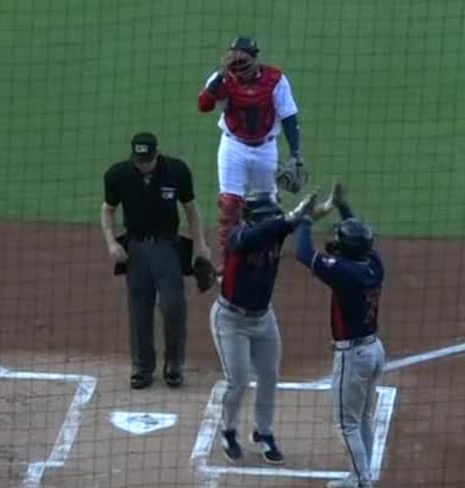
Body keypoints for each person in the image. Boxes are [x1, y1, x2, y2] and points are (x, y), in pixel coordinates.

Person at [291, 181, 386, 488]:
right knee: (360, 419)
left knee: (347, 424)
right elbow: (360, 236)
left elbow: (303, 254)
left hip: (354, 357)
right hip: (373, 350)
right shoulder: (373, 265)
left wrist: (304, 218)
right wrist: (344, 208)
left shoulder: (344, 273)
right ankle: (357, 477)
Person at [211, 190, 316, 464]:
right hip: (230, 320)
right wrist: (289, 217)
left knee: (269, 375)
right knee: (239, 380)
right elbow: (264, 232)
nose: (274, 222)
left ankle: (263, 433)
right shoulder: (239, 237)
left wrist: (316, 210)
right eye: (269, 218)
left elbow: (297, 221)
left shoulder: (274, 232)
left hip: (263, 318)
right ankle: (229, 431)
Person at [101, 132, 212, 389]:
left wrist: (201, 245)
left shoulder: (177, 171)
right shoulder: (118, 175)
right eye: (139, 160)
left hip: (167, 247)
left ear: (156, 154)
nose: (143, 164)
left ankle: (174, 363)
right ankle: (142, 367)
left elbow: (191, 208)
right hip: (136, 249)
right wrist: (111, 242)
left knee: (174, 305)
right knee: (139, 308)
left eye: (147, 159)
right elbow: (108, 209)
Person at [197, 35, 307, 258]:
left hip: (266, 149)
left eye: (244, 63)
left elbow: (289, 118)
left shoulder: (275, 79)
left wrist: (295, 154)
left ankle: (268, 250)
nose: (240, 70)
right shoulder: (223, 80)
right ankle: (230, 257)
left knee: (267, 205)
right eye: (235, 64)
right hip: (233, 147)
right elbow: (204, 105)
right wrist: (219, 76)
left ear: (255, 59)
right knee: (229, 205)